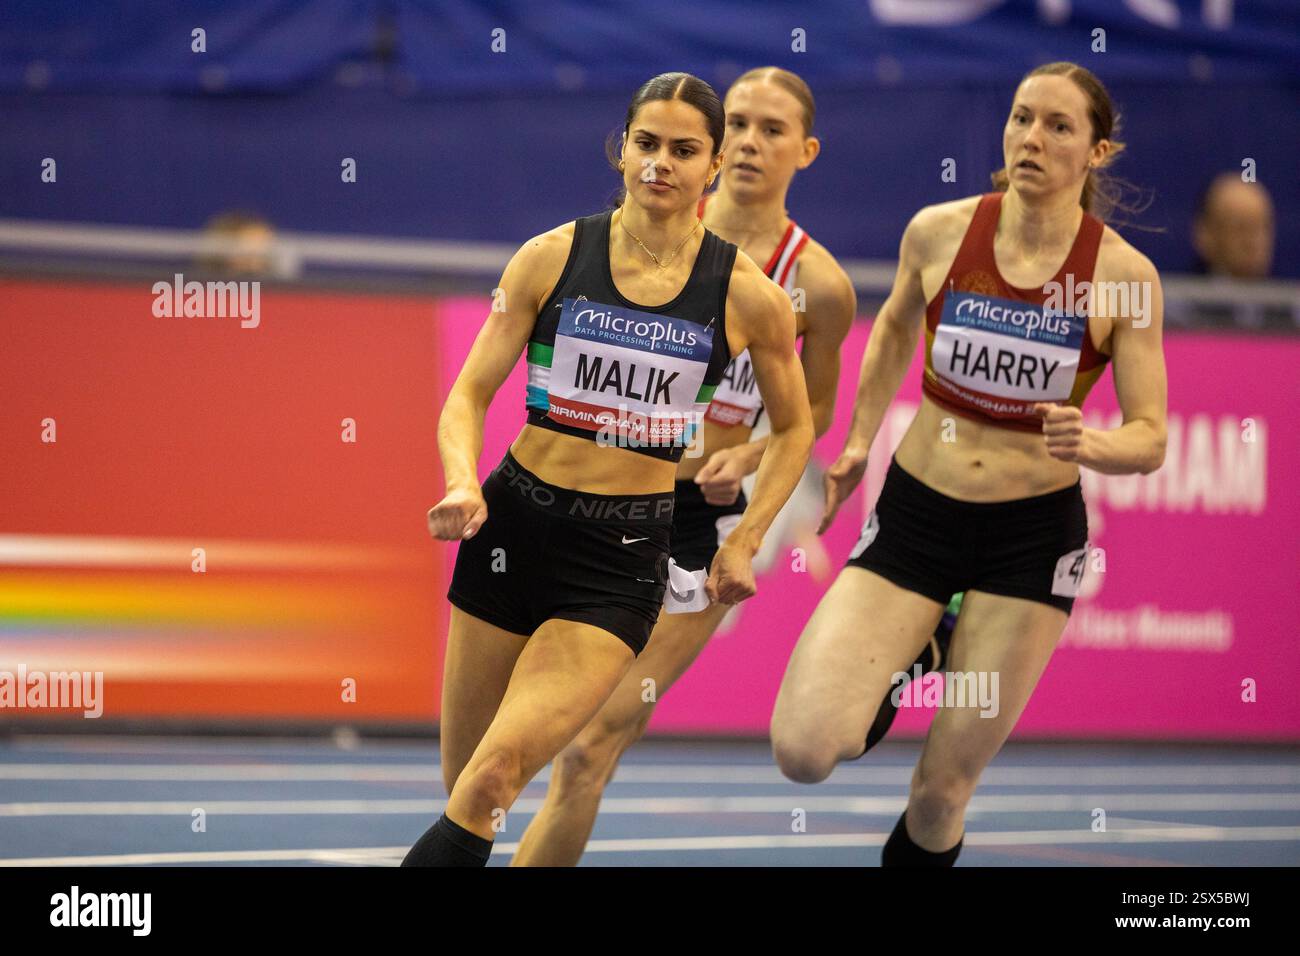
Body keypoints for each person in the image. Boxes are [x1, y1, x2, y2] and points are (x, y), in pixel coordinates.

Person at [402, 72, 814, 867]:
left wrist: (744, 541)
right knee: (463, 787)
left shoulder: (748, 295)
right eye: (646, 144)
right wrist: (460, 479)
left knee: (494, 778)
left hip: (618, 558)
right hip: (512, 528)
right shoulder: (551, 257)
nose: (661, 163)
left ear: (715, 164)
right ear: (621, 151)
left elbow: (796, 428)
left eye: (684, 150)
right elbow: (469, 395)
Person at [771, 61, 1167, 867]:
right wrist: (857, 439)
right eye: (1022, 118)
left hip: (1031, 541)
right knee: (804, 750)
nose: (1033, 138)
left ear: (1097, 152)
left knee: (940, 794)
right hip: (919, 515)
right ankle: (928, 646)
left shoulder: (1122, 279)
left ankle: (948, 643)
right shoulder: (942, 231)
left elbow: (1150, 435)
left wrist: (1096, 443)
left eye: (1059, 126)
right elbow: (889, 331)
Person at [511, 67, 855, 867]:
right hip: (600, 504)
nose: (748, 143)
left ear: (805, 151)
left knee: (593, 742)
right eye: (736, 123)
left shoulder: (816, 285)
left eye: (773, 130)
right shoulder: (645, 236)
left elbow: (817, 416)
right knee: (523, 722)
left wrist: (756, 448)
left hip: (703, 524)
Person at [1192, 173, 1275, 279]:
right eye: (1241, 228)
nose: (1252, 242)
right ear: (1206, 234)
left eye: (1262, 228)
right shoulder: (1174, 292)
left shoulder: (1290, 291)